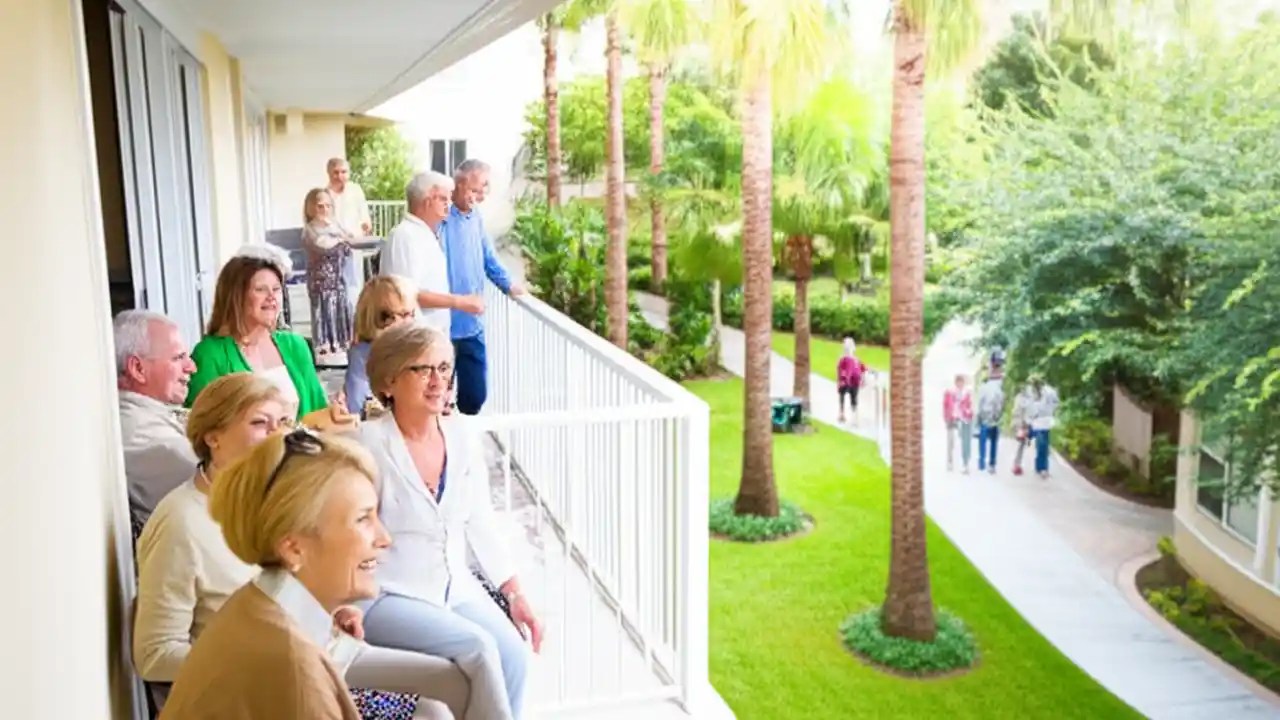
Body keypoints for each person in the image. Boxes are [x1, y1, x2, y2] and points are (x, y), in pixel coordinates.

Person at [136, 374, 459, 719]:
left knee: (444, 693)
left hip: (310, 652)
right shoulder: (181, 523)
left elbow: (282, 586)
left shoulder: (271, 501)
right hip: (266, 685)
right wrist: (262, 656)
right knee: (432, 709)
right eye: (260, 423)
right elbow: (154, 655)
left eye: (284, 422)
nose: (278, 435)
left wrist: (326, 613)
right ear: (212, 436)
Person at [360, 323, 543, 720]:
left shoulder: (460, 434)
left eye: (444, 368)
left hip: (454, 589)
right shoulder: (367, 444)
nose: (437, 380)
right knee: (478, 647)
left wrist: (514, 594)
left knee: (514, 655)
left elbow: (480, 521)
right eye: (422, 369)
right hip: (389, 593)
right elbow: (349, 532)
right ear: (389, 381)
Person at [185, 254, 356, 430]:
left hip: (302, 452)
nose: (271, 297)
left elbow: (318, 409)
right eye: (260, 289)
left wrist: (334, 411)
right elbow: (199, 427)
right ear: (236, 296)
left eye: (276, 289)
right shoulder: (210, 354)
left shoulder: (295, 345)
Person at [440, 159, 526, 415]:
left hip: (471, 323)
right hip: (442, 323)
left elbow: (488, 257)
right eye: (476, 190)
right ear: (459, 183)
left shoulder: (475, 216)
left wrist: (509, 284)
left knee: (475, 396)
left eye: (484, 190)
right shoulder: (441, 217)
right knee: (437, 397)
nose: (481, 196)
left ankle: (465, 434)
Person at [115, 310, 199, 536]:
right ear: (138, 369)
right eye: (178, 358)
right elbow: (224, 483)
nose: (191, 367)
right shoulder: (137, 431)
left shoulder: (148, 413)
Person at [380, 172, 481, 336]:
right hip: (413, 341)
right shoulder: (404, 236)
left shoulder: (425, 234)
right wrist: (459, 302)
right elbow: (405, 294)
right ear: (427, 201)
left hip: (430, 340)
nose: (449, 204)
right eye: (443, 199)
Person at [346, 275, 417, 419]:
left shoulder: (416, 350)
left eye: (412, 314)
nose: (411, 321)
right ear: (379, 319)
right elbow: (358, 406)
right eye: (404, 315)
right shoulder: (363, 356)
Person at [302, 188, 356, 355]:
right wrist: (340, 240)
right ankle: (324, 346)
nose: (325, 210)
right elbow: (322, 245)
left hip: (339, 279)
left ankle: (341, 344)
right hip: (321, 281)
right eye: (320, 206)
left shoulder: (335, 225)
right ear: (311, 208)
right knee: (323, 313)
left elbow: (350, 239)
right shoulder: (310, 229)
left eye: (328, 206)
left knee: (340, 309)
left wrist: (344, 237)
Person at [1025, 374, 1060, 479]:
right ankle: (1041, 468)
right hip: (1037, 422)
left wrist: (1051, 411)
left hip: (1044, 421)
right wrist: (1029, 420)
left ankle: (1042, 468)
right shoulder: (1031, 392)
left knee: (1043, 445)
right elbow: (1028, 406)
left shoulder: (1048, 391)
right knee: (1041, 445)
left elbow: (1056, 402)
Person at [328, 158, 372, 237]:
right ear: (329, 173)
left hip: (356, 241)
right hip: (335, 242)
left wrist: (366, 225)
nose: (340, 176)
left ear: (348, 173)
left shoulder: (356, 190)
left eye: (343, 172)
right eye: (336, 172)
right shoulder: (324, 194)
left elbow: (364, 216)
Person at [975, 365, 1006, 475]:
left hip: (985, 418)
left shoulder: (984, 388)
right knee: (994, 442)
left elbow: (979, 403)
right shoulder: (1000, 390)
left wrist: (978, 418)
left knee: (982, 441)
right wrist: (998, 416)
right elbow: (1002, 405)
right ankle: (992, 464)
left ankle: (982, 462)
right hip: (995, 419)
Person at [943, 373, 974, 474]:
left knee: (965, 440)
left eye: (962, 382)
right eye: (958, 382)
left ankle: (965, 463)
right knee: (950, 440)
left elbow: (969, 405)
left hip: (963, 418)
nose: (960, 384)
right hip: (952, 418)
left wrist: (969, 414)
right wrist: (946, 417)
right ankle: (949, 461)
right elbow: (945, 405)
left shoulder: (967, 393)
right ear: (956, 382)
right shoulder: (950, 392)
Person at [836, 337, 867, 424]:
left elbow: (862, 369)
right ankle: (848, 415)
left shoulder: (853, 359)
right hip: (849, 381)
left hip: (852, 382)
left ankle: (848, 415)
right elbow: (839, 369)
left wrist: (862, 379)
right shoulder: (848, 359)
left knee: (850, 398)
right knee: (851, 398)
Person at [1010, 381, 1033, 476]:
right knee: (1020, 444)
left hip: (1022, 424)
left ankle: (1017, 464)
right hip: (1021, 424)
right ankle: (1016, 465)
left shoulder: (1021, 398)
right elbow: (1020, 412)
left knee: (1022, 444)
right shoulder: (1024, 399)